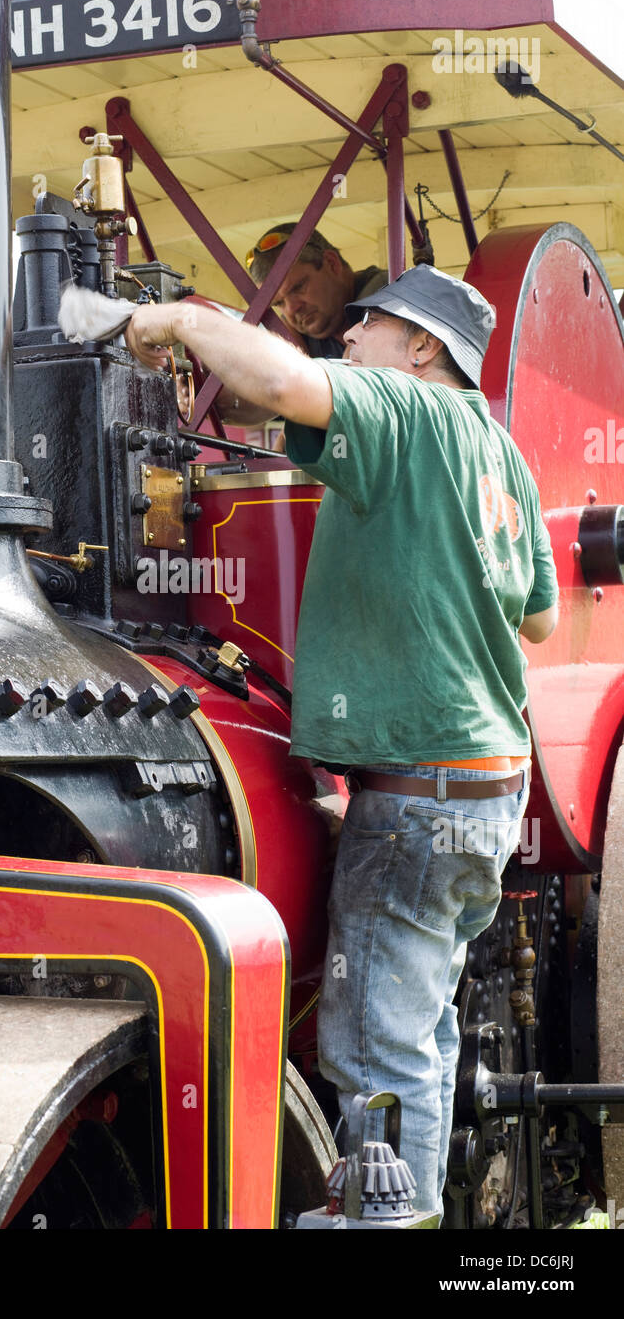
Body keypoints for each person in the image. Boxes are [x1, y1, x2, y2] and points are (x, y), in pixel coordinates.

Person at [125, 264, 559, 1220]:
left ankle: (383, 1216)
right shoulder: (500, 452)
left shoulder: (404, 408)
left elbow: (283, 385)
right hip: (486, 784)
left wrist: (171, 317)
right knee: (423, 1029)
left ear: (422, 350)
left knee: (372, 1040)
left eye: (370, 324)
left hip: (417, 794)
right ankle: (410, 1208)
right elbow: (537, 621)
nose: (349, 338)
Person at [220, 224, 387, 427]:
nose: (292, 309)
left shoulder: (387, 294)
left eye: (299, 287)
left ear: (332, 264)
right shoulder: (299, 332)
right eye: (279, 303)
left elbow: (360, 387)